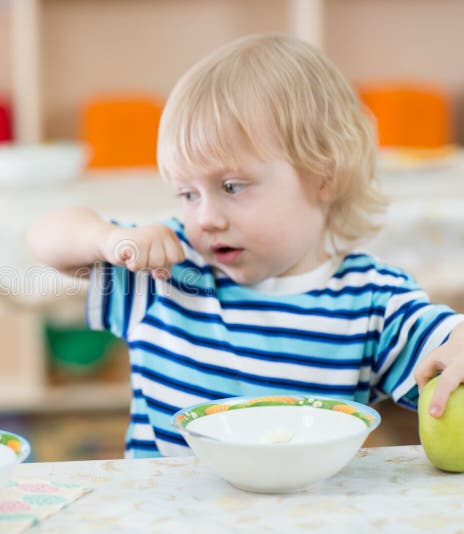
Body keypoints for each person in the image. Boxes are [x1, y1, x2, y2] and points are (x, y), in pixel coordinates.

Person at [27, 33, 464, 459]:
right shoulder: (167, 270)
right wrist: (108, 239)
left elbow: (447, 350)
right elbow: (46, 235)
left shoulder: (373, 301)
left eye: (232, 186)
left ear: (323, 176)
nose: (205, 217)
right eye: (188, 194)